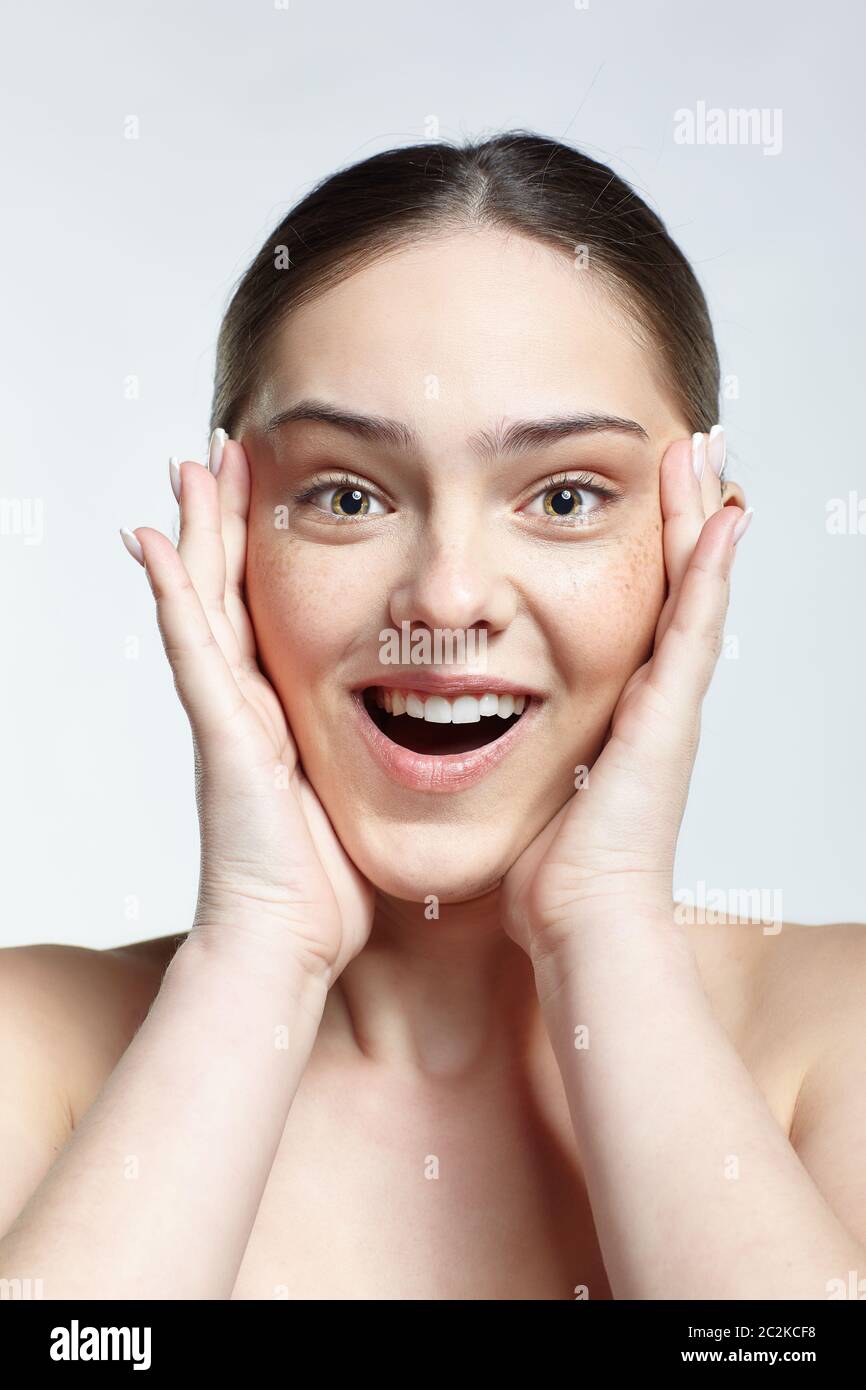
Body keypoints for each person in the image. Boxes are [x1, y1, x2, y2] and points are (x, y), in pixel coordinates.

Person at [2, 132, 863, 1301]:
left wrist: (602, 928)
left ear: (697, 542)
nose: (445, 597)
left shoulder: (837, 1036)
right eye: (347, 494)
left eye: (563, 496)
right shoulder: (34, 1054)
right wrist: (258, 944)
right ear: (227, 538)